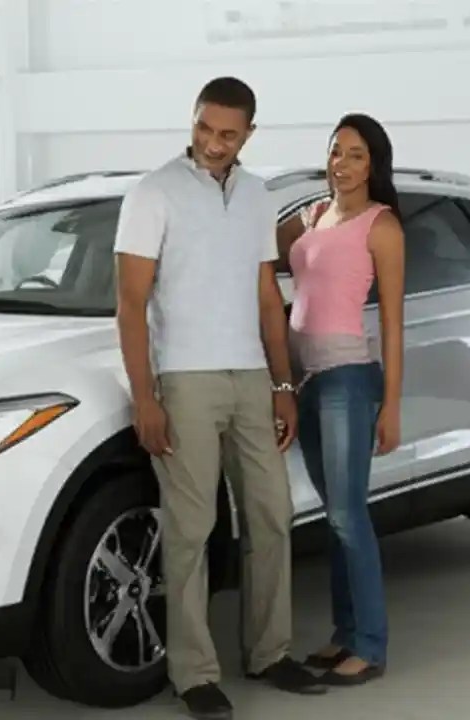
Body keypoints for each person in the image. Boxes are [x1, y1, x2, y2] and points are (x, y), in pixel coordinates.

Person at [114, 76, 325, 719]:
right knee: (190, 530)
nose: (212, 142)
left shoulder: (259, 197)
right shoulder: (154, 193)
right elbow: (129, 303)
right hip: (185, 381)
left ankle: (269, 653)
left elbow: (268, 297)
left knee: (271, 514)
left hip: (251, 378)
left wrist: (283, 384)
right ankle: (194, 673)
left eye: (227, 134)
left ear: (248, 135)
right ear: (194, 121)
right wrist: (145, 397)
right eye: (204, 128)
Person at [276, 113, 404, 685]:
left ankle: (370, 646)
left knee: (350, 514)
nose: (343, 164)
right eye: (336, 152)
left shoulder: (381, 226)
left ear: (373, 164)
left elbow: (397, 323)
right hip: (304, 381)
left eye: (356, 154)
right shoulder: (310, 217)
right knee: (333, 516)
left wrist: (392, 403)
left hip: (349, 378)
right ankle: (343, 634)